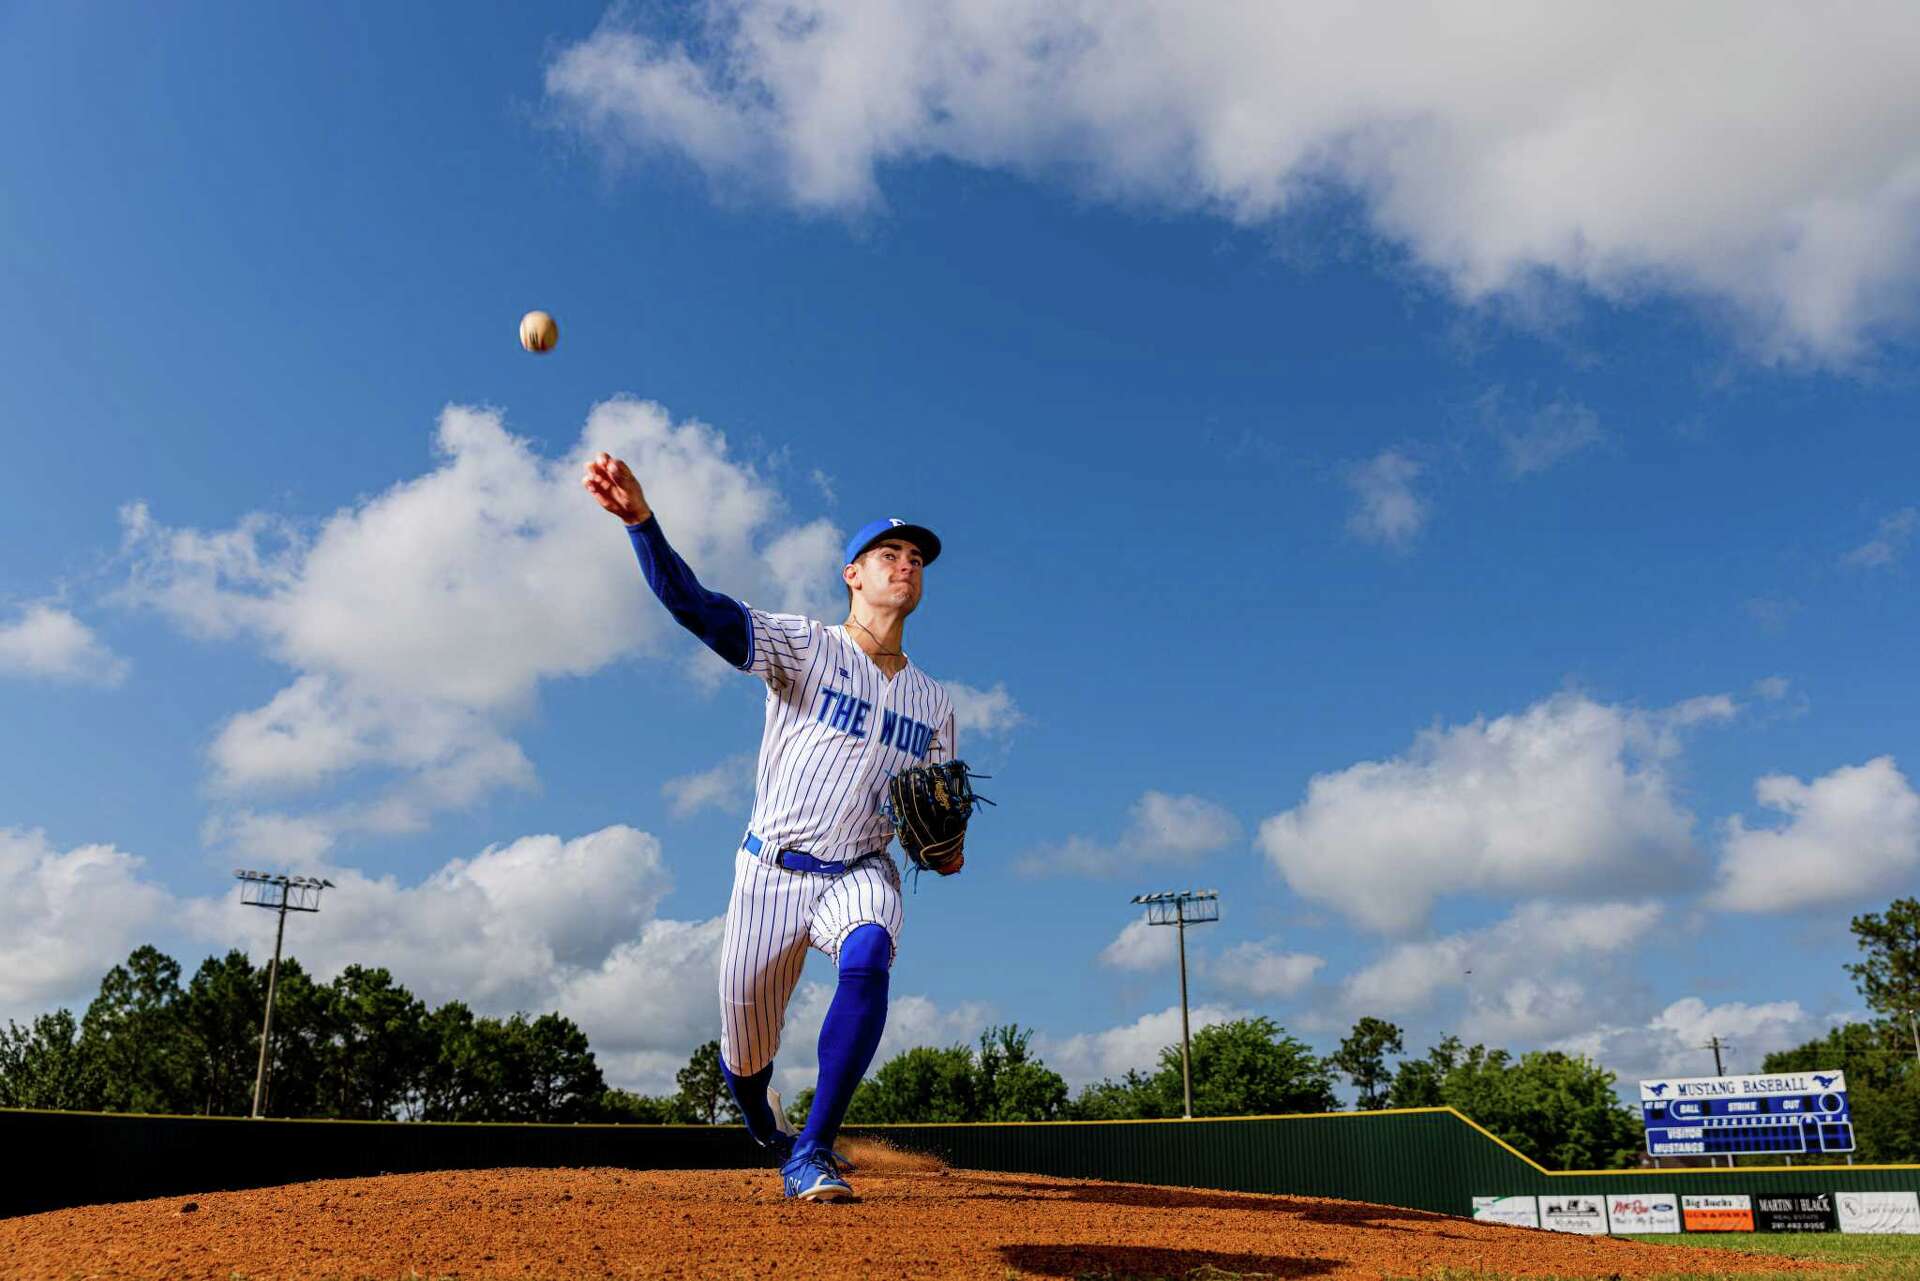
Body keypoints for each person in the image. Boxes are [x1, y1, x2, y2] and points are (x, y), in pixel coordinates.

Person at [582, 451, 958, 1201]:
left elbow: (942, 825)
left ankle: (811, 1150)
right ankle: (764, 1122)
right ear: (852, 573)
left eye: (915, 557)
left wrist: (947, 848)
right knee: (747, 1053)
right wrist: (643, 526)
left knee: (873, 945)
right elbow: (699, 607)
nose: (905, 565)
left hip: (859, 868)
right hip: (769, 873)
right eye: (888, 554)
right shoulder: (805, 647)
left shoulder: (936, 702)